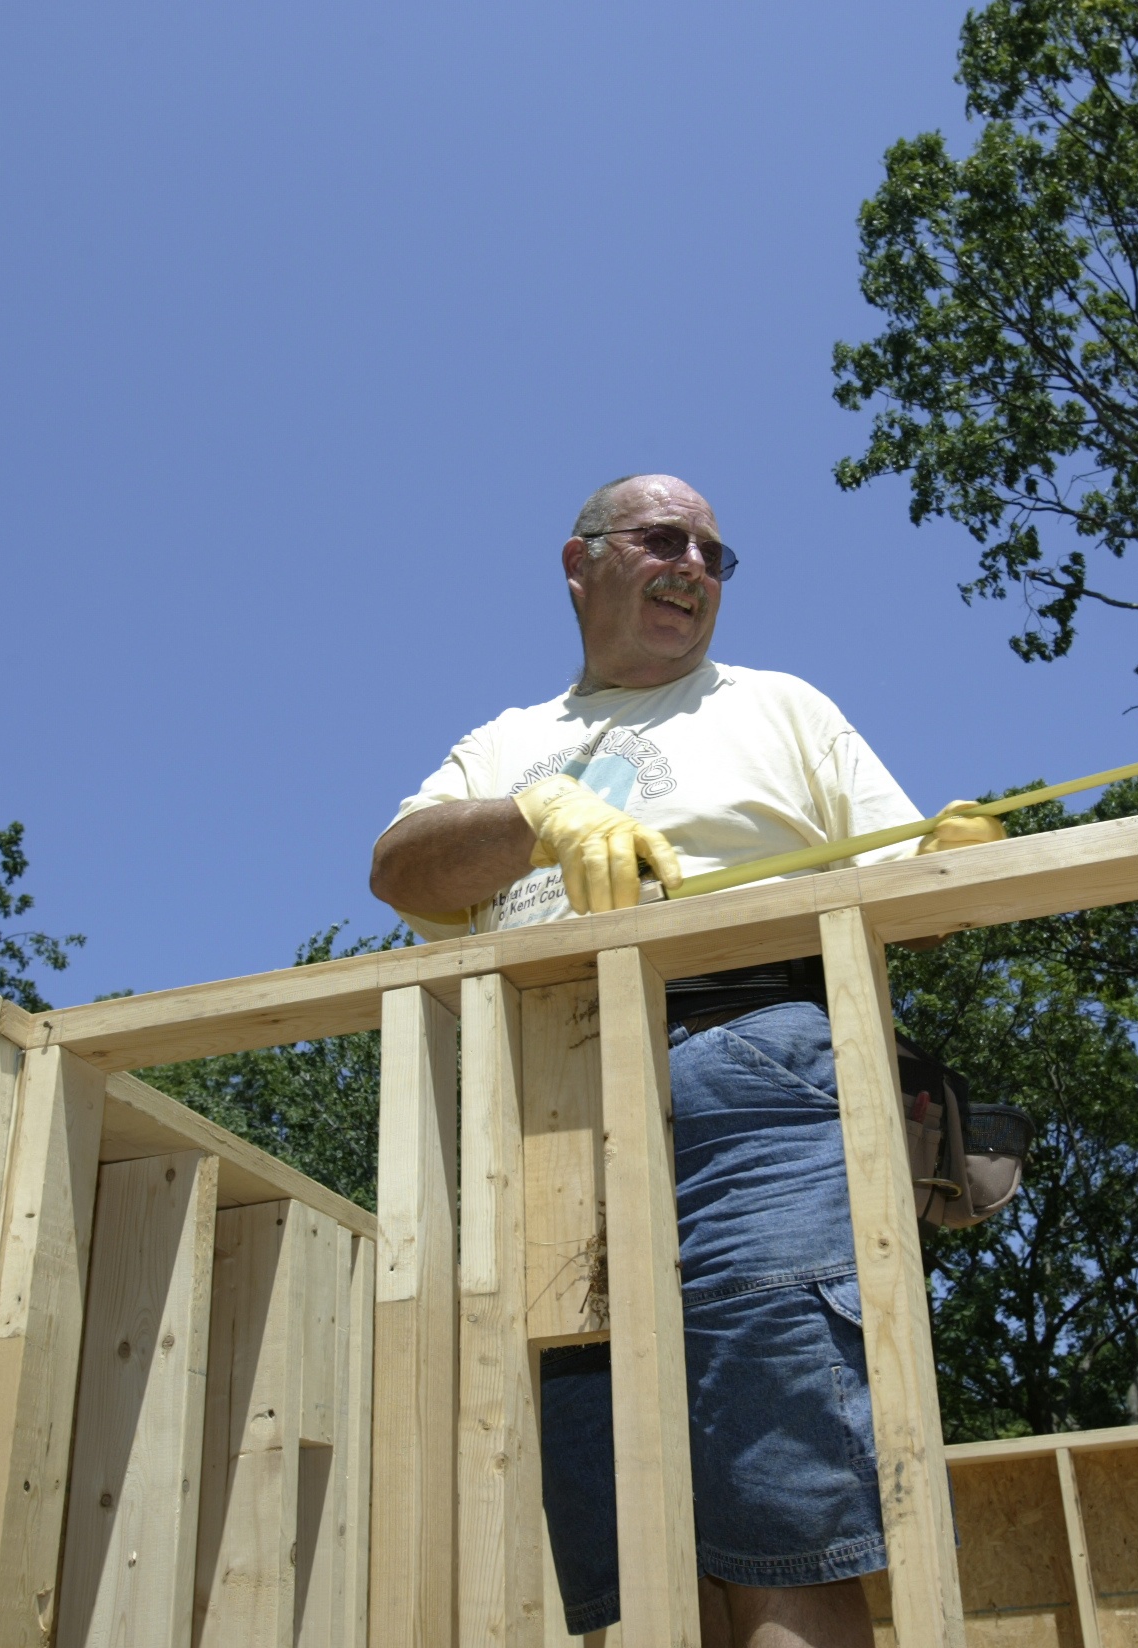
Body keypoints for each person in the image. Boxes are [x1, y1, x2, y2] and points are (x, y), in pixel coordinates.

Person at [370, 474, 1001, 1648]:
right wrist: (537, 818)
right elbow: (402, 872)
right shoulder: (508, 743)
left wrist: (948, 857)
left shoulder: (780, 708)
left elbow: (912, 873)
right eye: (665, 540)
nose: (695, 567)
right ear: (580, 561)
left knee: (782, 1497)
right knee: (628, 1549)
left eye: (716, 555)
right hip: (549, 1119)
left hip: (752, 1071)